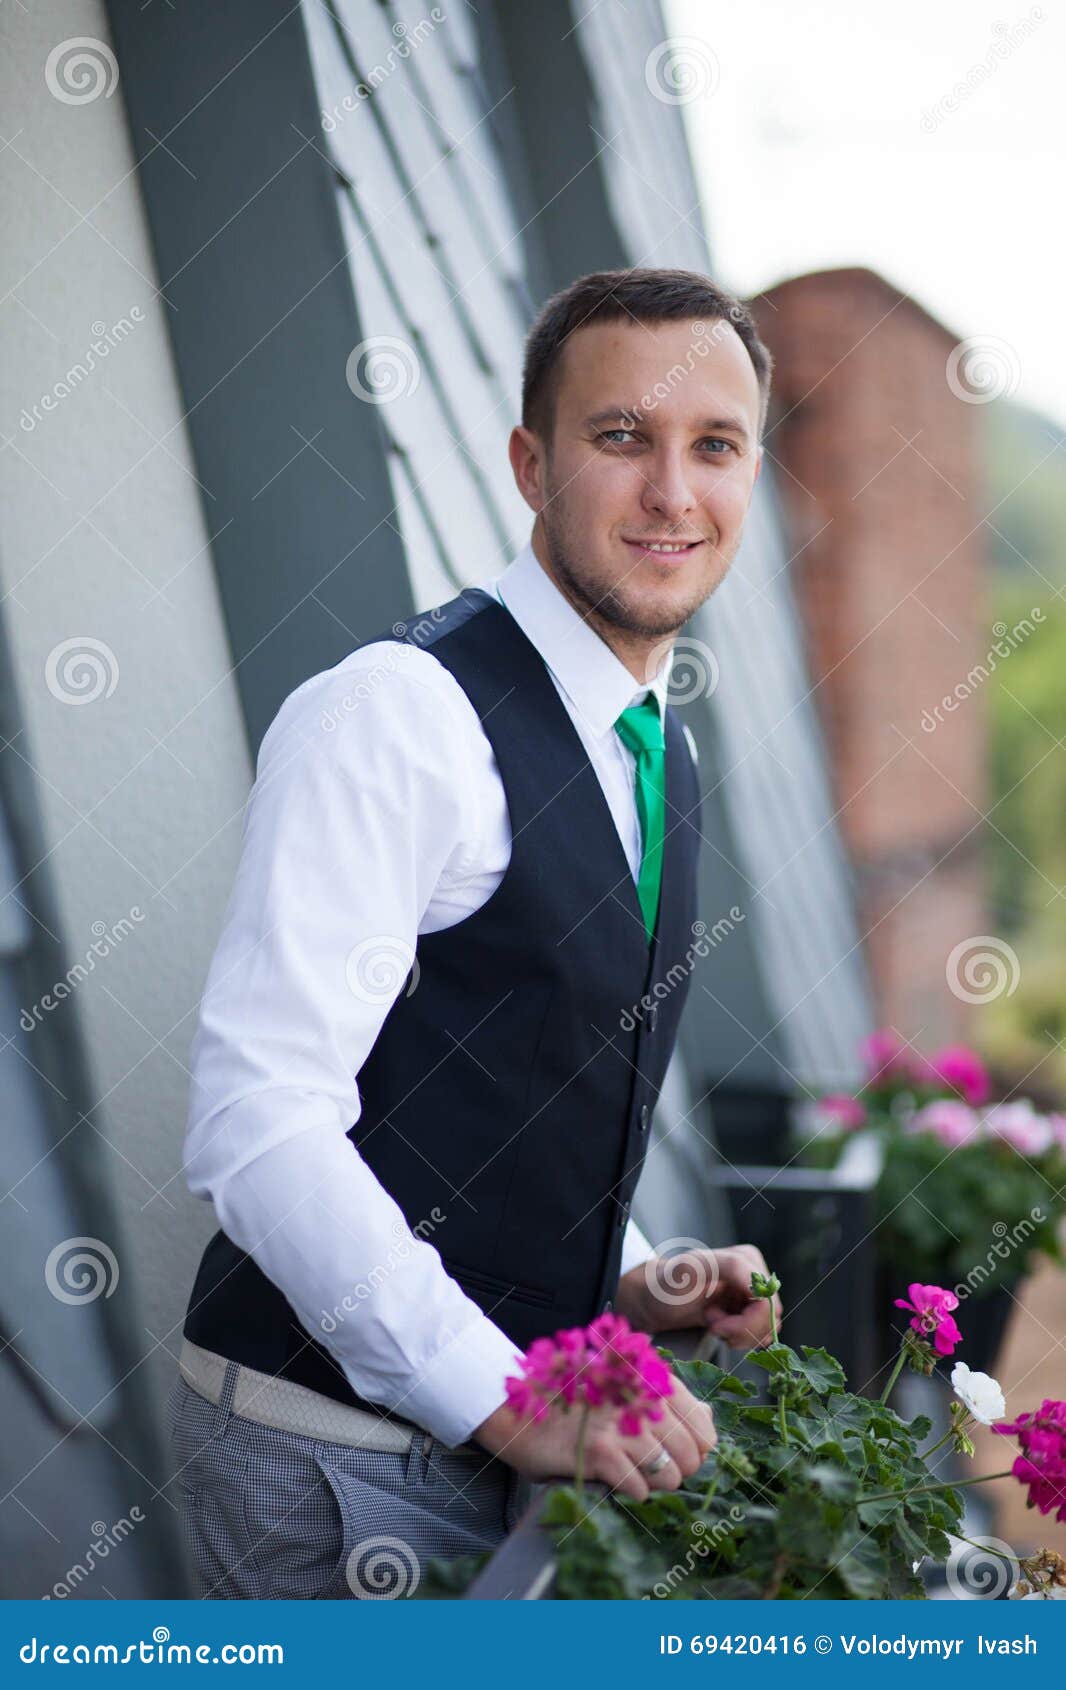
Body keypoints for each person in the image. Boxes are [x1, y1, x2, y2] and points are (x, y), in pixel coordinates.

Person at [169, 267, 783, 1600]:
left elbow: (492, 1096)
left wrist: (625, 1277)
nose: (673, 492)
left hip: (494, 1457)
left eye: (714, 446)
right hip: (332, 1468)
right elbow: (255, 1121)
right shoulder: (400, 713)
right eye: (622, 436)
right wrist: (506, 1397)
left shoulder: (654, 743)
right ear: (530, 461)